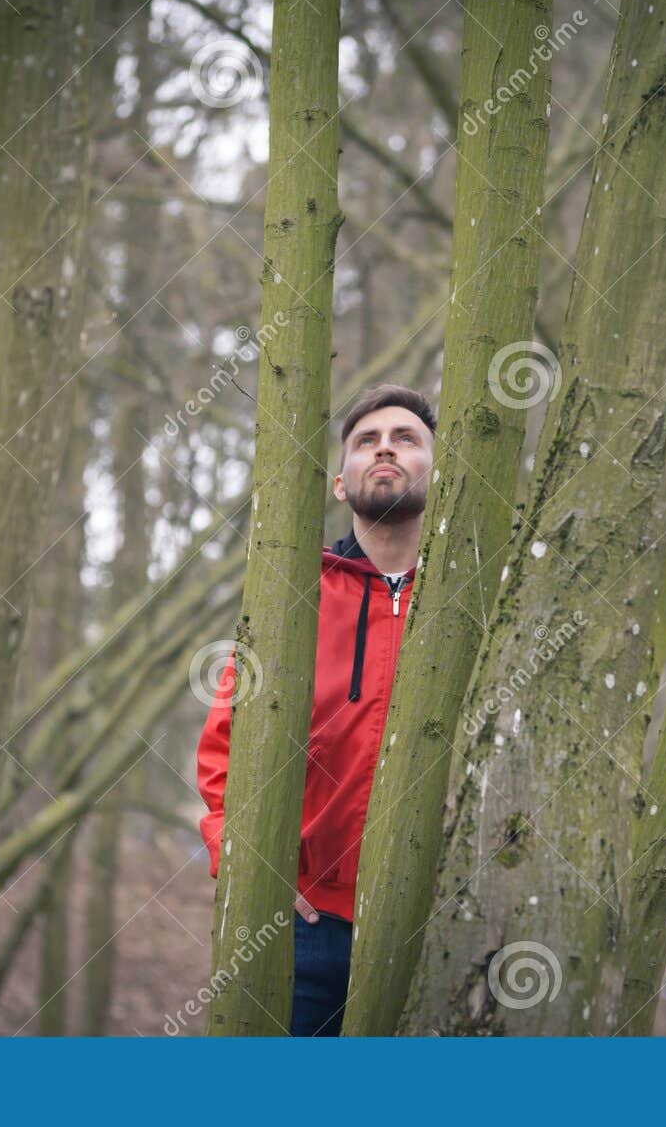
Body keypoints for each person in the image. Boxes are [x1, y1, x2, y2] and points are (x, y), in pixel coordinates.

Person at [195, 383, 437, 1036]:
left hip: (437, 927)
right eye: (367, 441)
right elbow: (223, 750)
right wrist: (249, 867)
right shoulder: (291, 595)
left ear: (440, 473)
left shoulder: (475, 598)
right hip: (302, 925)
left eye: (405, 438)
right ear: (339, 483)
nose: (385, 447)